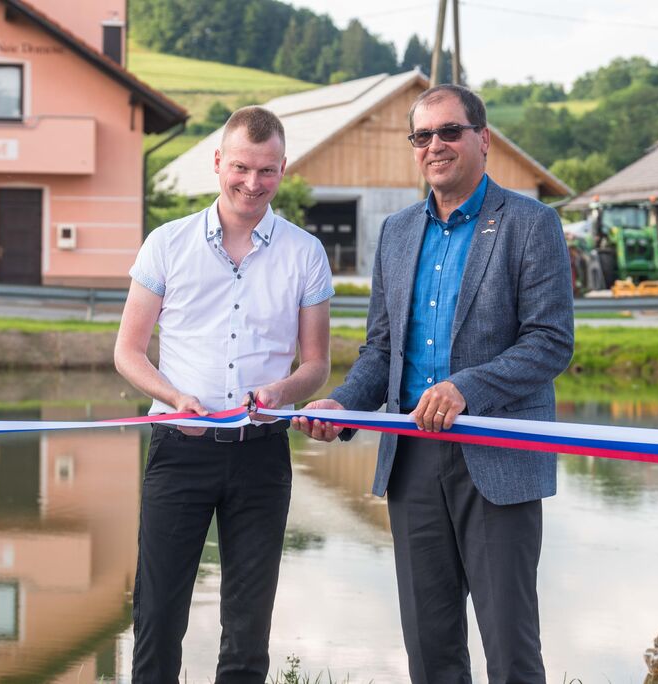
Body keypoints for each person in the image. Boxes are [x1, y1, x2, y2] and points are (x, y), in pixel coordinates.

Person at [292, 84, 574, 683]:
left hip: (498, 458)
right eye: (423, 135)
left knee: (511, 648)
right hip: (411, 463)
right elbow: (381, 352)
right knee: (429, 647)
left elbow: (550, 342)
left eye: (450, 131)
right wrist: (343, 404)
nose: (435, 145)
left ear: (484, 139)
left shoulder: (532, 223)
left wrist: (466, 387)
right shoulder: (395, 232)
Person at [115, 106, 334, 682]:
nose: (252, 183)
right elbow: (128, 352)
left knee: (248, 623)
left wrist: (284, 388)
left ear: (283, 168)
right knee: (158, 614)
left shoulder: (305, 253)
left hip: (262, 454)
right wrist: (172, 393)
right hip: (178, 450)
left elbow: (316, 363)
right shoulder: (166, 244)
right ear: (218, 162)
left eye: (267, 171)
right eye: (241, 167)